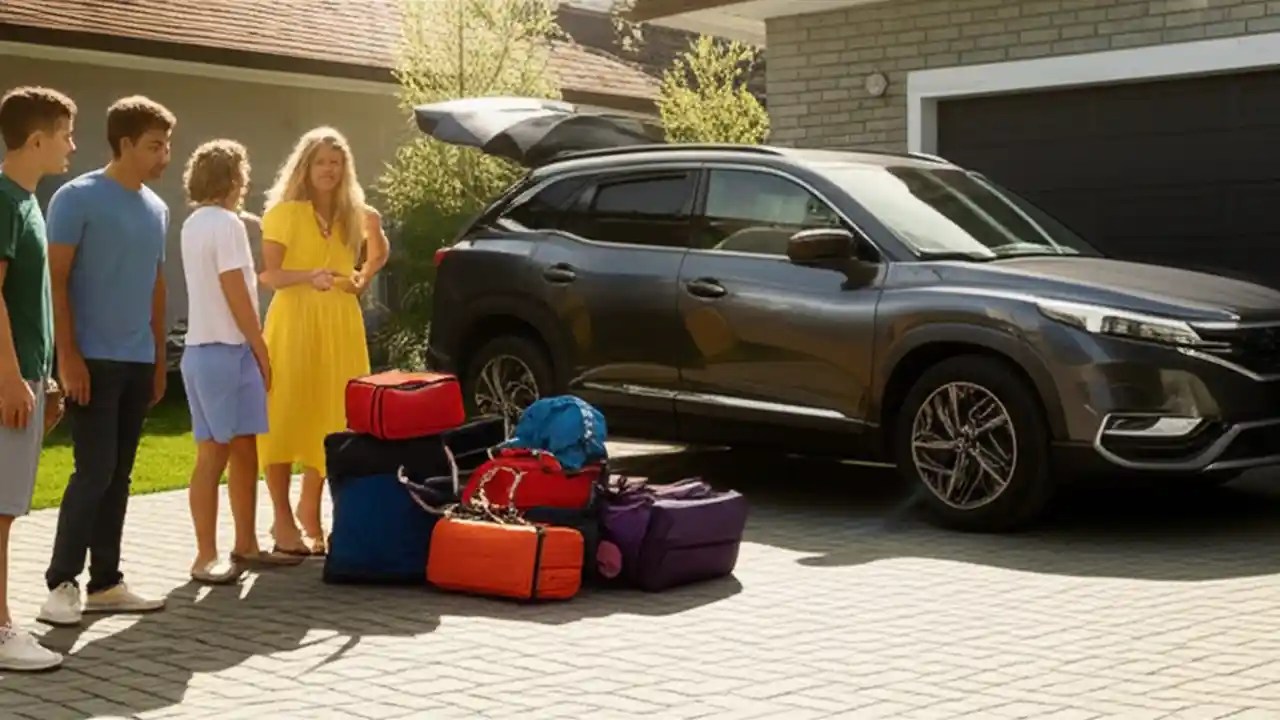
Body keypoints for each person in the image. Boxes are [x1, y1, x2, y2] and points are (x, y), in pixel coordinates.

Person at [38, 95, 174, 627]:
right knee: (93, 471)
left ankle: (106, 582)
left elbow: (158, 287)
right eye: (154, 146)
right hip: (89, 359)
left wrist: (160, 359)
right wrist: (66, 356)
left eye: (166, 145)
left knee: (119, 476)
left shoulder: (158, 209)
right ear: (124, 144)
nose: (164, 155)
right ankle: (61, 584)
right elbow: (57, 279)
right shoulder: (76, 198)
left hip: (138, 359)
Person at [177, 139, 305, 584]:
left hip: (208, 352)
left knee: (245, 448)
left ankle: (245, 545)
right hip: (223, 351)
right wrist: (261, 346)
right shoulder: (226, 225)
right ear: (234, 179)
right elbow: (235, 290)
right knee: (213, 454)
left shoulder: (195, 223)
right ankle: (204, 556)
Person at [257, 126, 389, 556]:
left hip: (340, 323)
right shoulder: (283, 213)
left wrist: (362, 278)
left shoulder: (357, 214)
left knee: (335, 416)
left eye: (336, 161)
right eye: (321, 161)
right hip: (293, 320)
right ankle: (281, 518)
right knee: (285, 412)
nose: (329, 169)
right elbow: (269, 275)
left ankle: (309, 507)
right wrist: (307, 276)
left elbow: (379, 251)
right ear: (305, 166)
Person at [0, 86, 76, 670]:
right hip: (8, 378)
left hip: (29, 375)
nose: (72, 146)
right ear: (36, 140)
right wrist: (9, 375)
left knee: (6, 509)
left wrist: (44, 380)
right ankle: (0, 631)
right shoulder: (3, 199)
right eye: (66, 134)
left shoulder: (29, 201)